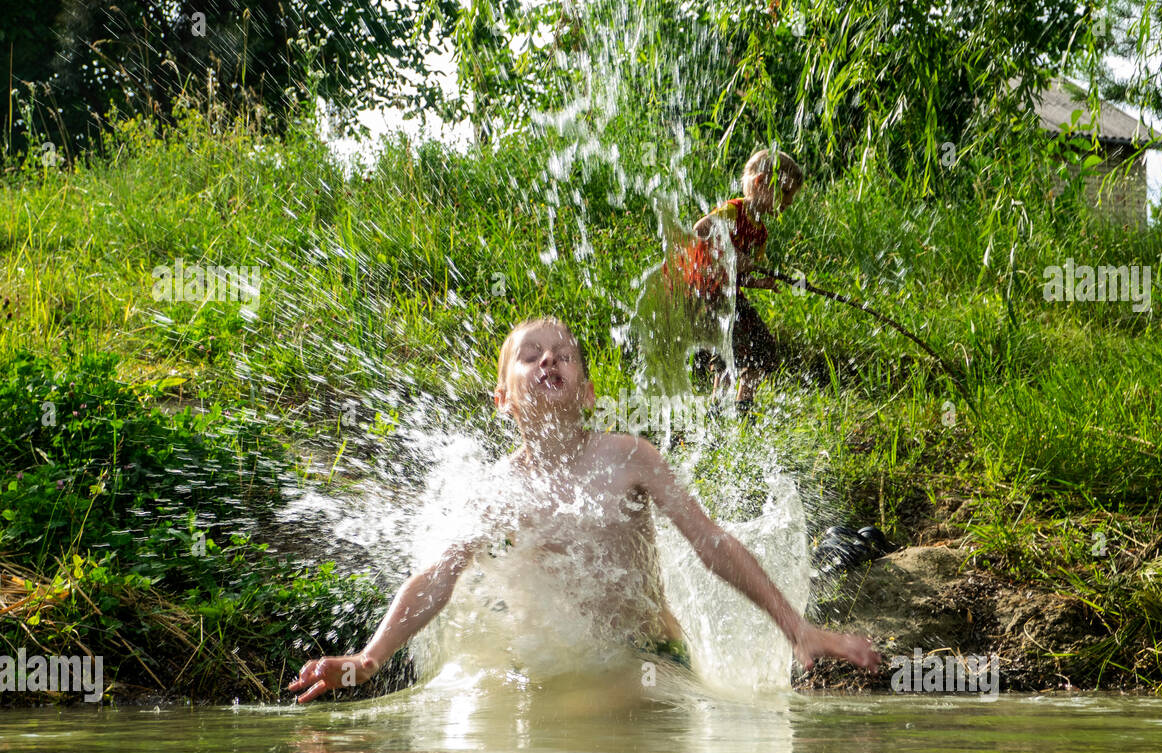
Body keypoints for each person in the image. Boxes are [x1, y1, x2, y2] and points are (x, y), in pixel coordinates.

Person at [289, 317, 879, 704]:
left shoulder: (630, 459)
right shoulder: (493, 488)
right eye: (530, 356)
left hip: (650, 664)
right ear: (502, 399)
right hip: (550, 677)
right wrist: (369, 659)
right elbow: (438, 576)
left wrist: (797, 629)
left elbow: (712, 545)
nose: (549, 361)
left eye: (564, 354)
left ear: (589, 390)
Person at [673, 149, 804, 410]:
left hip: (729, 295)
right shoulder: (733, 212)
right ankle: (722, 411)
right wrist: (731, 255)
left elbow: (738, 277)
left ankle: (740, 407)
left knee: (758, 346)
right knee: (734, 348)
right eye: (786, 192)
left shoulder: (760, 234)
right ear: (760, 183)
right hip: (705, 293)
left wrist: (757, 282)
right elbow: (700, 230)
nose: (789, 202)